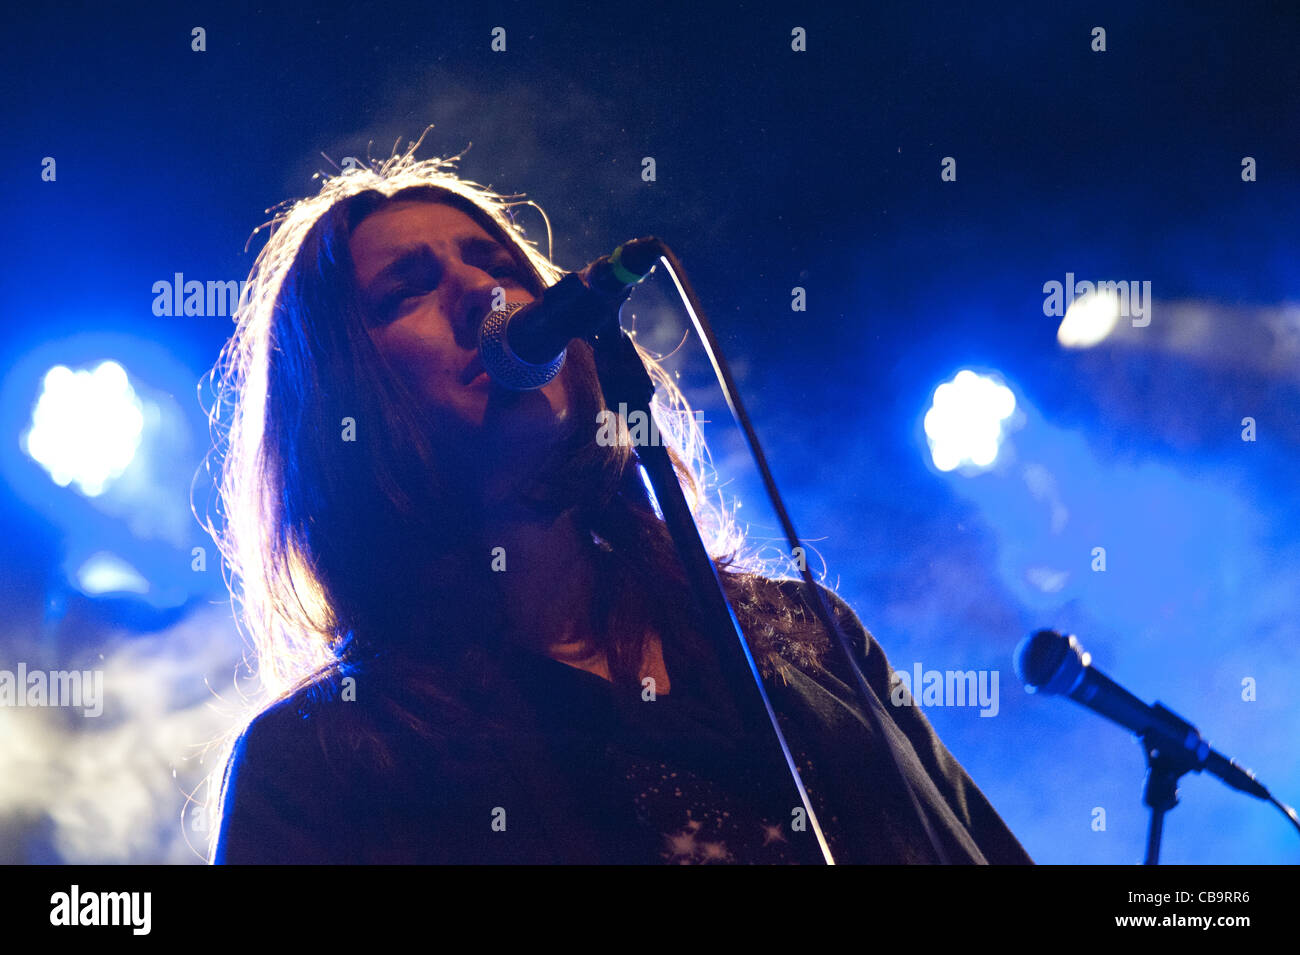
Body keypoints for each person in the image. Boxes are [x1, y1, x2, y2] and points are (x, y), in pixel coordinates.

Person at [202, 136, 1033, 865]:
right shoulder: (323, 761)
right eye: (406, 290)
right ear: (338, 403)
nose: (485, 293)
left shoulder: (809, 636)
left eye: (498, 265)